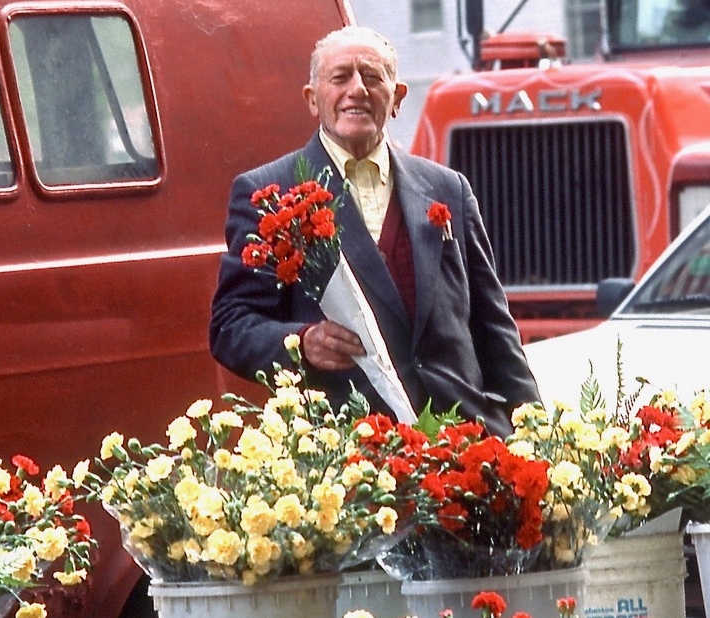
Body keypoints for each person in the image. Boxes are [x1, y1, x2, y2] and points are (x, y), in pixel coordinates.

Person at [209, 25, 538, 435]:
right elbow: (230, 325)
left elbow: (494, 327)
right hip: (351, 445)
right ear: (312, 99)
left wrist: (534, 430)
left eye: (372, 77)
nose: (357, 90)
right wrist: (302, 343)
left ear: (397, 97)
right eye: (340, 77)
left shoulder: (449, 188)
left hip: (464, 438)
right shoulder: (269, 195)